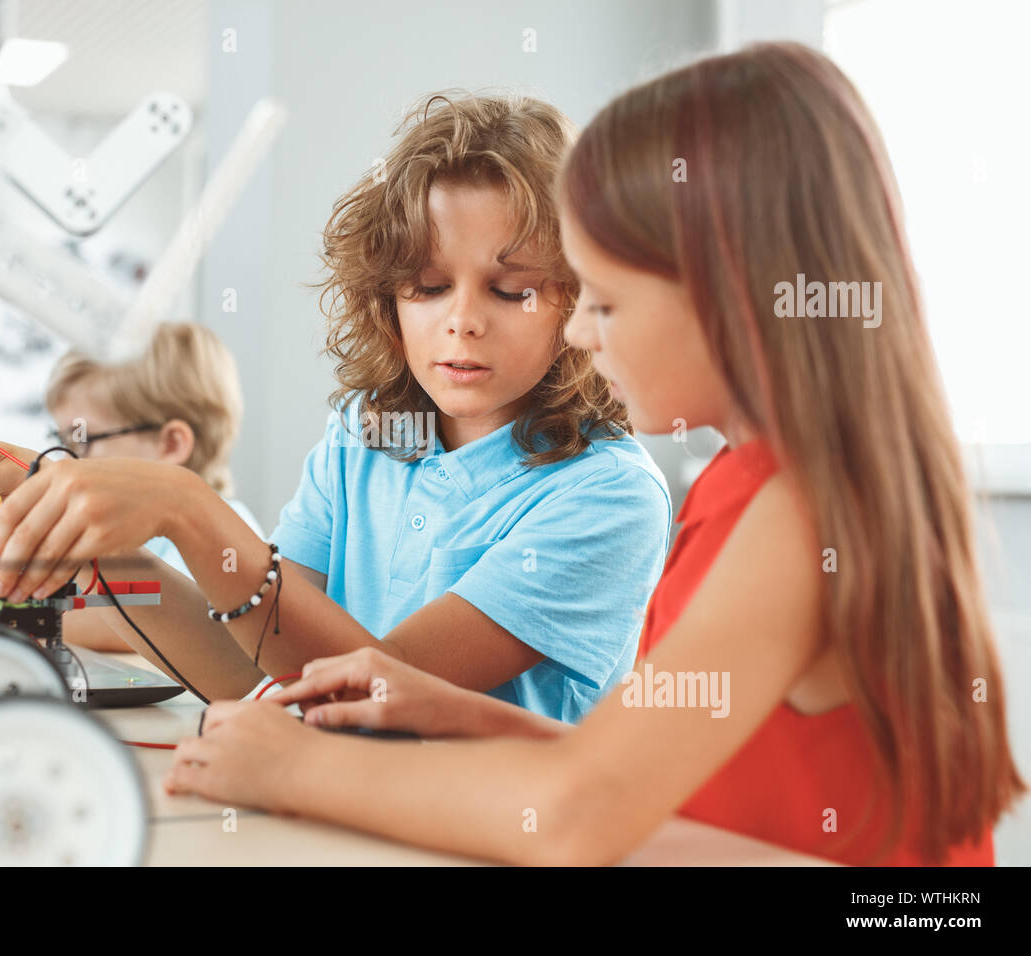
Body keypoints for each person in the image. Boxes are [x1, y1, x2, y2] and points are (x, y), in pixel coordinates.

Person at [161, 44, 1025, 866]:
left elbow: (580, 813)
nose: (578, 332)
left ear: (731, 294)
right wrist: (461, 714)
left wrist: (295, 772)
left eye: (604, 303)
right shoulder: (744, 486)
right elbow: (630, 767)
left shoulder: (802, 520)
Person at [0, 91, 672, 721]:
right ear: (386, 296)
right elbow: (262, 670)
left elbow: (374, 691)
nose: (462, 320)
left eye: (509, 291)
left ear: (579, 298)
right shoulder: (363, 436)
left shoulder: (608, 495)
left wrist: (186, 508)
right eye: (426, 286)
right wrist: (93, 541)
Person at [43, 321, 264, 652]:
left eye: (83, 440)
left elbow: (150, 627)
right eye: (60, 440)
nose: (64, 461)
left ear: (171, 445)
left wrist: (13, 611)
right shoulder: (119, 537)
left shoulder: (225, 533)